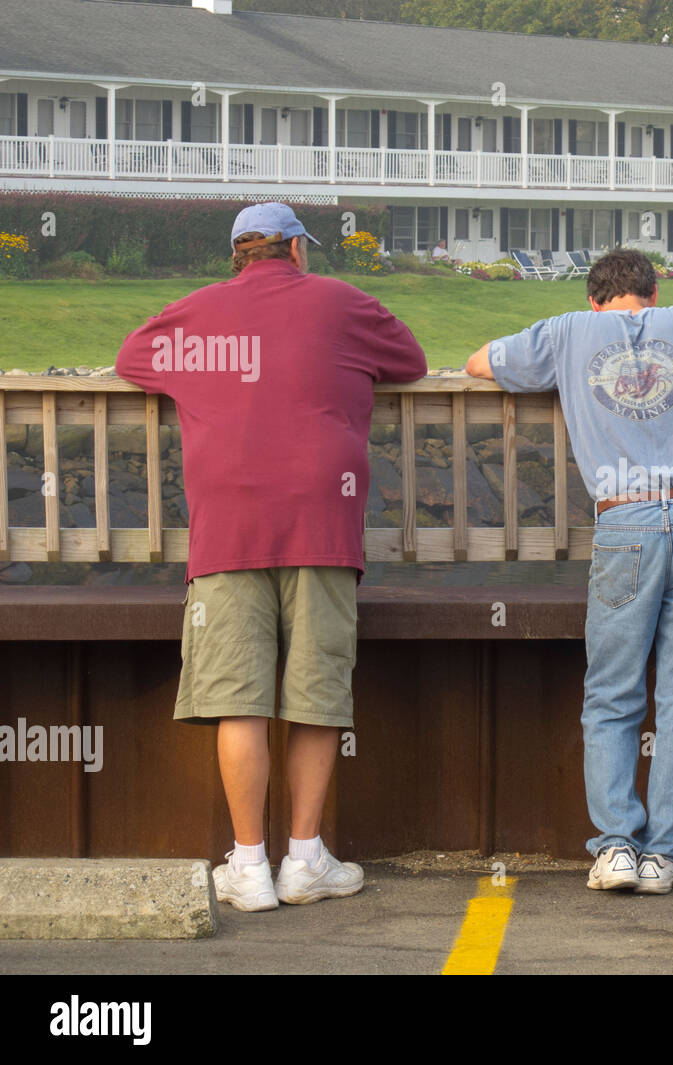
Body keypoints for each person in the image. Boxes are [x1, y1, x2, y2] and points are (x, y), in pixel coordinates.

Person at [115, 202, 427, 911]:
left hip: (226, 526)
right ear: (294, 248)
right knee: (317, 690)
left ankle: (250, 864)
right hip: (322, 517)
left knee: (237, 697)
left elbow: (132, 359)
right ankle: (306, 858)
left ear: (237, 255)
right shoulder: (343, 303)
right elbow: (407, 359)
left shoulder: (194, 314)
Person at [465, 249, 673, 892]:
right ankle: (665, 853)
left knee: (612, 693)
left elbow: (480, 363)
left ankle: (615, 846)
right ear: (654, 292)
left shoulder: (563, 332)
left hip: (626, 522)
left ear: (594, 299)